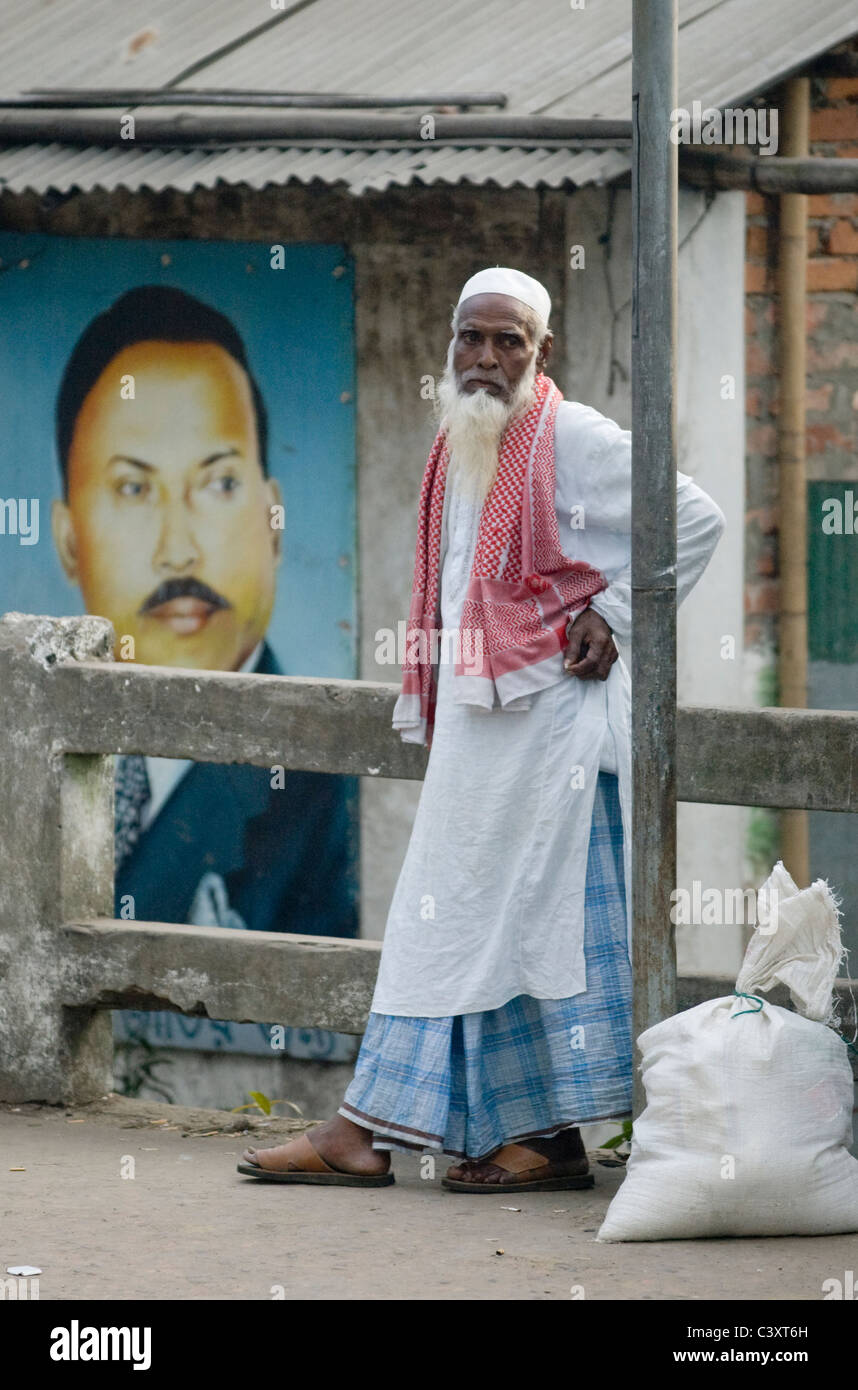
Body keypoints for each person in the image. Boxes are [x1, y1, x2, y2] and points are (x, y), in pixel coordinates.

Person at [239, 266, 725, 1190]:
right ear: (451, 343)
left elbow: (693, 518)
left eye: (510, 341)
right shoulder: (461, 441)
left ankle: (376, 1133)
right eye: (472, 337)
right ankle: (533, 1141)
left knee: (502, 924)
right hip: (485, 733)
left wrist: (613, 612)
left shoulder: (570, 435)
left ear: (543, 353)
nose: (487, 358)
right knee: (476, 923)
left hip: (555, 739)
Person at [51, 285, 358, 939]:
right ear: (68, 539)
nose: (179, 550)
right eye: (134, 488)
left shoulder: (331, 804)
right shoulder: (30, 755)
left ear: (274, 520)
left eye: (219, 484)